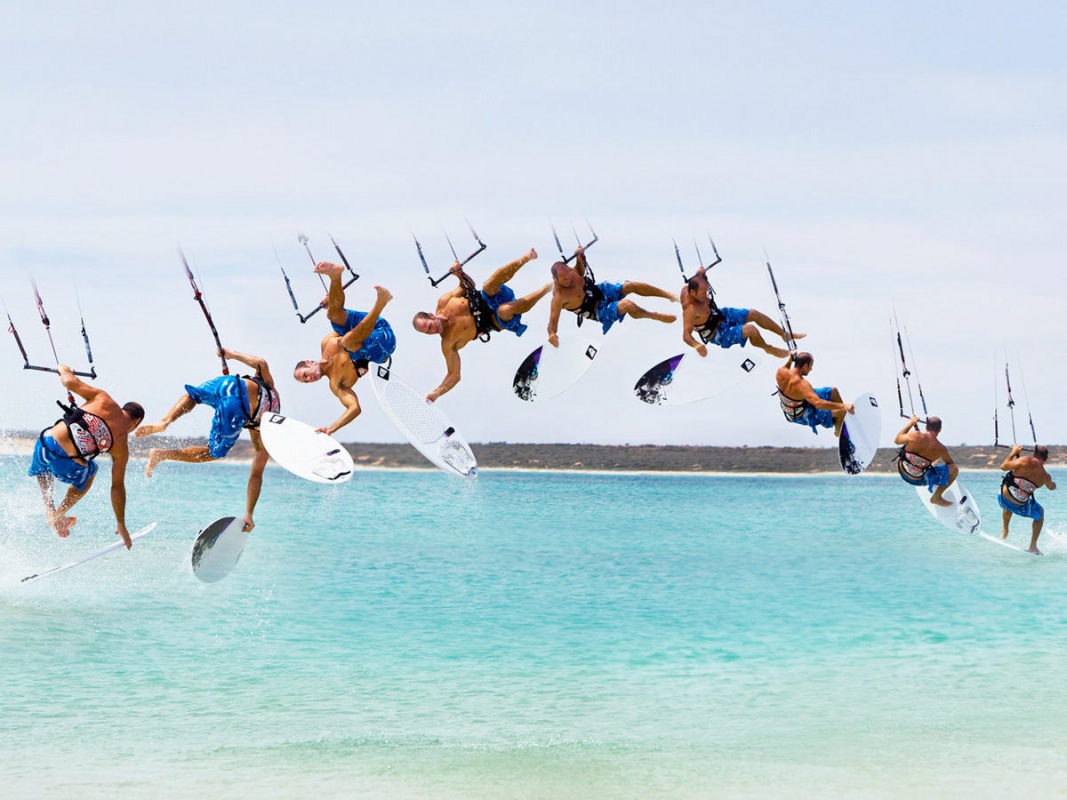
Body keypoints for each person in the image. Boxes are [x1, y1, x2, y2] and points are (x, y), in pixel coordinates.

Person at [136, 347, 279, 533]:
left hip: (230, 383)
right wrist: (249, 513)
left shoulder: (270, 387)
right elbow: (255, 477)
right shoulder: (263, 433)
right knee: (213, 452)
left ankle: (165, 421)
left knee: (194, 395)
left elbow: (262, 363)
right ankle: (162, 454)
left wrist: (232, 355)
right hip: (236, 407)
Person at [28, 365, 144, 548]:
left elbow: (68, 381)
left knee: (43, 469)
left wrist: (64, 369)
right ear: (136, 422)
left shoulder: (103, 399)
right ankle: (58, 515)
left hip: (43, 444)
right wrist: (121, 523)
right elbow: (117, 488)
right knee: (91, 470)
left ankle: (49, 509)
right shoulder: (121, 445)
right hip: (64, 463)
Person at [413, 247, 549, 401]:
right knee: (505, 310)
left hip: (490, 298)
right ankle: (547, 289)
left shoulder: (445, 301)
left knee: (488, 284)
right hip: (496, 320)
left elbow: (468, 286)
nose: (432, 331)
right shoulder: (448, 343)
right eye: (428, 332)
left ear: (431, 316)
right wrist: (436, 393)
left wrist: (460, 274)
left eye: (430, 326)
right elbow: (454, 375)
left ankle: (527, 257)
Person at [293, 262, 395, 435]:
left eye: (305, 375)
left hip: (377, 326)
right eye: (306, 382)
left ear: (309, 363)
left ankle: (335, 275)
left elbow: (341, 317)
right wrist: (332, 428)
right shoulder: (336, 384)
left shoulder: (326, 342)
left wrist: (331, 304)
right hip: (384, 345)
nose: (309, 379)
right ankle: (381, 302)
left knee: (332, 315)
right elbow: (354, 408)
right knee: (347, 342)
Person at [546, 246, 676, 346]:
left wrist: (580, 257)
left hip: (600, 291)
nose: (569, 280)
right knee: (628, 305)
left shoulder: (570, 272)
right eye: (564, 280)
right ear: (555, 279)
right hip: (598, 311)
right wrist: (552, 335)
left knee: (631, 285)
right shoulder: (558, 297)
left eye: (569, 275)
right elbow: (552, 323)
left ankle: (668, 295)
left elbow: (580, 270)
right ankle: (654, 315)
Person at [680, 265, 800, 359]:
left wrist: (701, 272)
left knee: (753, 313)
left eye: (706, 292)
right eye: (702, 294)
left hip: (720, 315)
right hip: (717, 333)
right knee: (751, 330)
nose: (706, 296)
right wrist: (696, 345)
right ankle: (768, 348)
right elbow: (686, 335)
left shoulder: (695, 284)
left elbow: (699, 273)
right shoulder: (690, 309)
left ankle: (784, 335)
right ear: (692, 292)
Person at [774, 352, 854, 437]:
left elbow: (787, 367)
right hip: (802, 415)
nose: (811, 369)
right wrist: (844, 406)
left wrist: (790, 359)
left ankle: (841, 423)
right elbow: (819, 404)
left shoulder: (781, 372)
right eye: (810, 366)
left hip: (797, 401)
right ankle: (840, 433)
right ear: (805, 366)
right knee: (841, 411)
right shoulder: (803, 385)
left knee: (833, 390)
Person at [998, 444, 1056, 555]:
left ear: (1034, 454)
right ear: (1046, 459)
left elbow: (1003, 466)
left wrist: (1013, 452)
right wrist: (1053, 484)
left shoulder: (1024, 460)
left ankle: (1005, 529)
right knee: (1040, 513)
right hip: (1020, 504)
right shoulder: (1045, 476)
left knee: (1011, 499)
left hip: (1003, 498)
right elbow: (1051, 487)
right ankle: (1033, 546)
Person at [893, 415, 958, 507]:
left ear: (926, 427)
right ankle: (936, 497)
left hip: (902, 472)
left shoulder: (914, 435)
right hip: (918, 480)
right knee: (954, 469)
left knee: (917, 457)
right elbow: (951, 464)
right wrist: (933, 456)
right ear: (940, 429)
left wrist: (911, 424)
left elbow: (897, 440)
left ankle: (926, 465)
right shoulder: (941, 449)